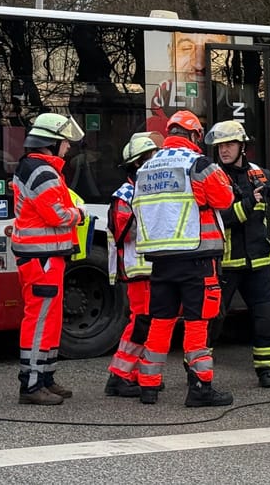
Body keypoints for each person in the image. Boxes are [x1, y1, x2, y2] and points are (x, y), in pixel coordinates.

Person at [132, 110, 235, 406]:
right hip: (196, 257)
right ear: (193, 135)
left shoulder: (146, 167)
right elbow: (224, 199)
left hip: (160, 259)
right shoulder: (198, 164)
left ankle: (148, 385)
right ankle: (200, 388)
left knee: (161, 320)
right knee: (197, 321)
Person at [203, 120, 270, 389]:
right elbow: (224, 218)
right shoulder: (214, 177)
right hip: (226, 263)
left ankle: (268, 369)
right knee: (213, 319)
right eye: (220, 146)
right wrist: (250, 201)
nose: (224, 150)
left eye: (229, 144)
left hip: (259, 261)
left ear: (242, 146)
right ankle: (197, 369)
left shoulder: (257, 173)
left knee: (266, 318)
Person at [11, 112, 86, 405]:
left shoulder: (40, 168)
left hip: (45, 256)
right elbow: (56, 214)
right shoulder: (42, 171)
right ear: (51, 142)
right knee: (40, 320)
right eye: (64, 141)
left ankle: (45, 378)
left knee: (50, 320)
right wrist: (80, 214)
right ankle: (31, 385)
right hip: (41, 257)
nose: (68, 146)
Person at [103, 132, 159, 398]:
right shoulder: (125, 194)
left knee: (149, 322)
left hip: (149, 268)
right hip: (137, 268)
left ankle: (135, 373)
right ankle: (119, 375)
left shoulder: (142, 190)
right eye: (151, 158)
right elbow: (124, 231)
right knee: (141, 322)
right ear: (138, 163)